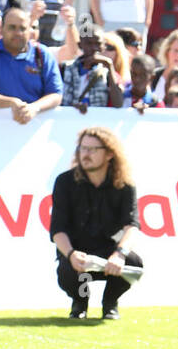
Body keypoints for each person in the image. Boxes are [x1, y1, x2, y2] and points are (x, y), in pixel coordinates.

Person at [49, 127, 144, 320]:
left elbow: (132, 225)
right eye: (83, 148)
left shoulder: (125, 185)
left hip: (109, 252)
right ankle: (80, 302)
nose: (86, 154)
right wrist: (71, 254)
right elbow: (57, 229)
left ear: (109, 154)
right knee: (67, 270)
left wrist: (119, 254)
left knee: (134, 263)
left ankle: (110, 303)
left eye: (93, 149)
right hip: (77, 252)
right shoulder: (64, 182)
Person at [0, 7, 63, 123]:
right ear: (2, 29)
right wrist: (12, 103)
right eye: (12, 27)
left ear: (29, 30)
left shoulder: (42, 54)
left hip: (36, 132)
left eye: (23, 28)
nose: (18, 33)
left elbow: (56, 95)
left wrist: (34, 108)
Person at [61, 24, 123, 111]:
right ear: (80, 45)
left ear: (103, 46)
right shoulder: (65, 68)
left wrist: (109, 65)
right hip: (69, 121)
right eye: (89, 43)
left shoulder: (108, 72)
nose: (94, 48)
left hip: (97, 122)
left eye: (98, 44)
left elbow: (118, 103)